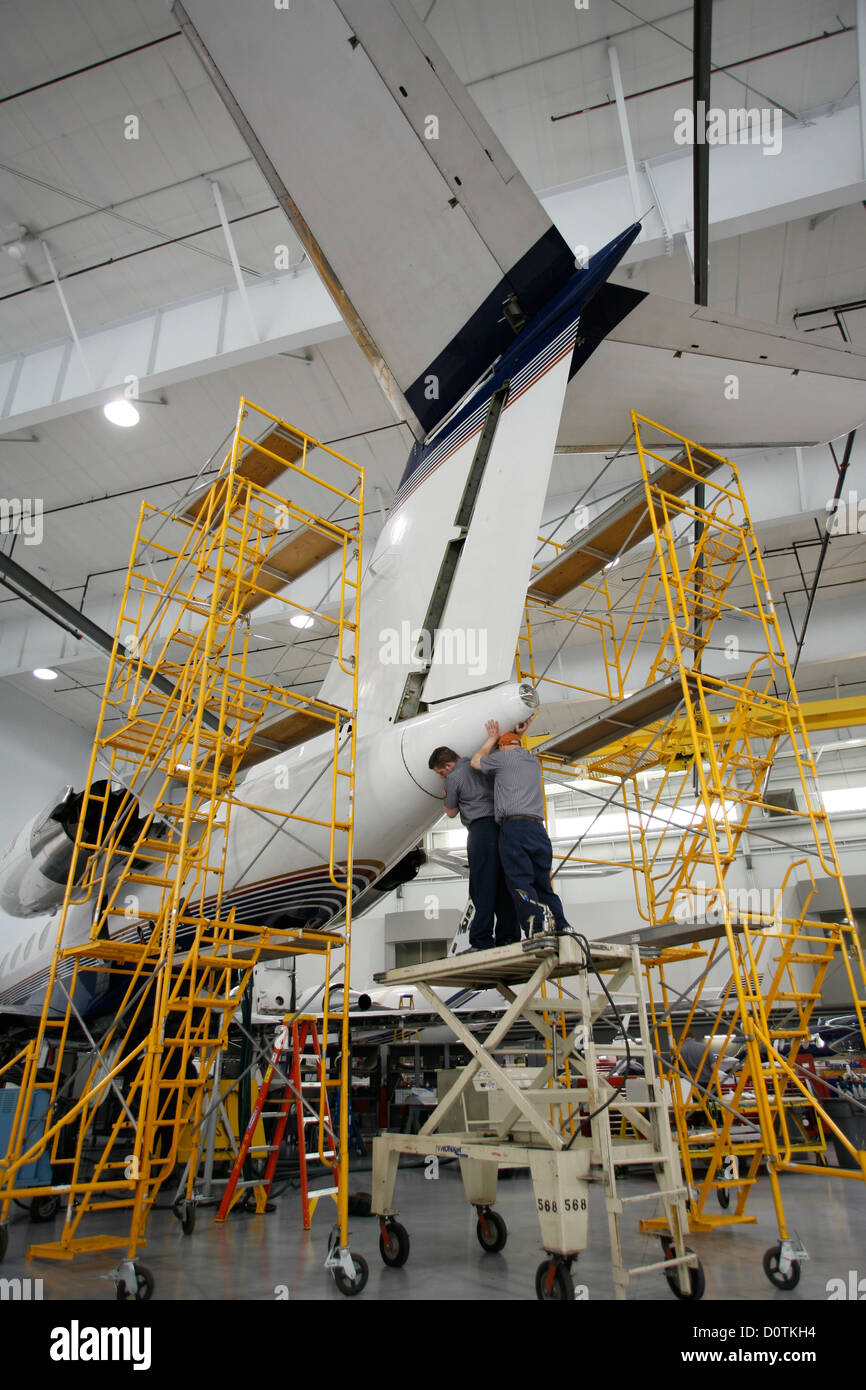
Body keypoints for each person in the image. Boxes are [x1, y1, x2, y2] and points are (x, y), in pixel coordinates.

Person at [471, 720, 570, 938]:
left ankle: (535, 928)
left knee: (519, 881)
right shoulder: (533, 761)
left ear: (503, 748)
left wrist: (491, 739)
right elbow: (516, 749)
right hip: (538, 830)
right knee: (543, 884)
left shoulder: (503, 758)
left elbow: (476, 762)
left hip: (515, 828)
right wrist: (517, 735)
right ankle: (562, 925)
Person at [428, 745, 520, 952]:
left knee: (481, 886)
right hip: (502, 828)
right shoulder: (482, 765)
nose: (443, 777)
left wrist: (448, 795)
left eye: (441, 773)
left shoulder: (454, 778)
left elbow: (450, 811)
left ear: (448, 766)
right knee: (503, 885)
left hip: (481, 830)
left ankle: (482, 939)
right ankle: (509, 937)